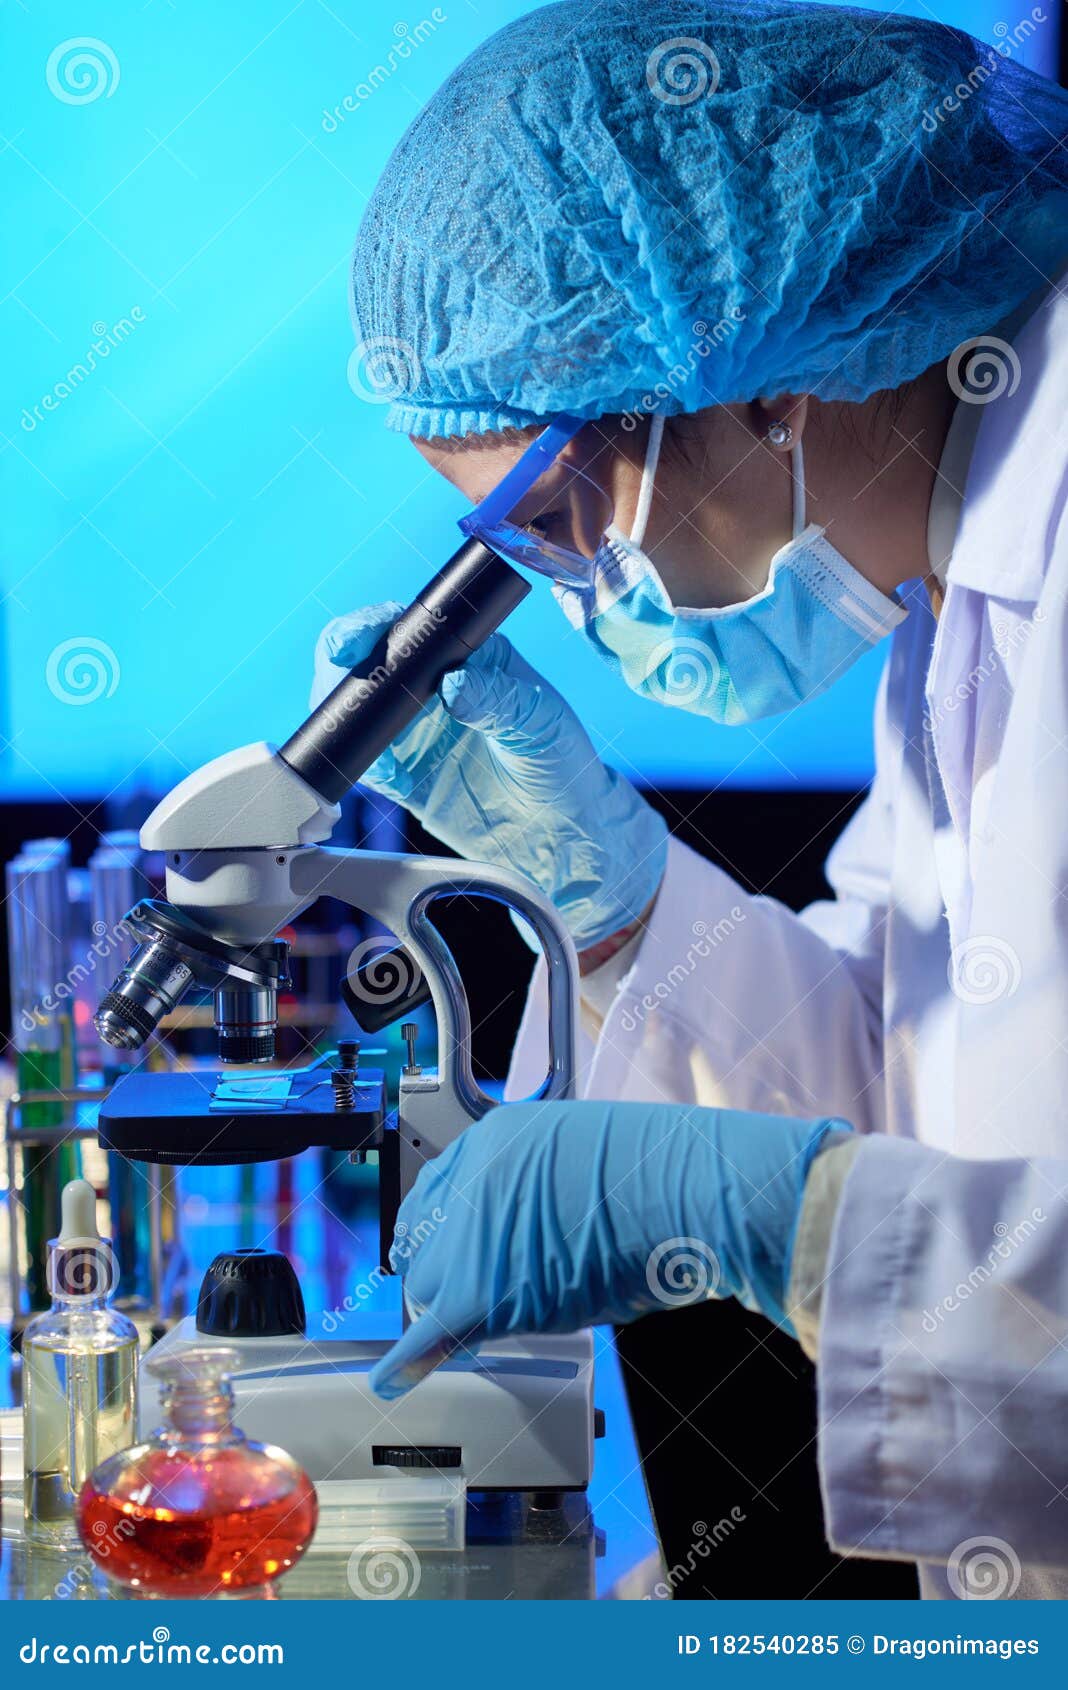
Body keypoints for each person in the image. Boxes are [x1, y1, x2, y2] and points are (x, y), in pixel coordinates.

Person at [310, 1, 1068, 1597]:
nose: (582, 590)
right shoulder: (945, 607)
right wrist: (624, 894)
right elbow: (910, 1065)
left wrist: (759, 1211)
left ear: (761, 371)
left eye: (567, 508)